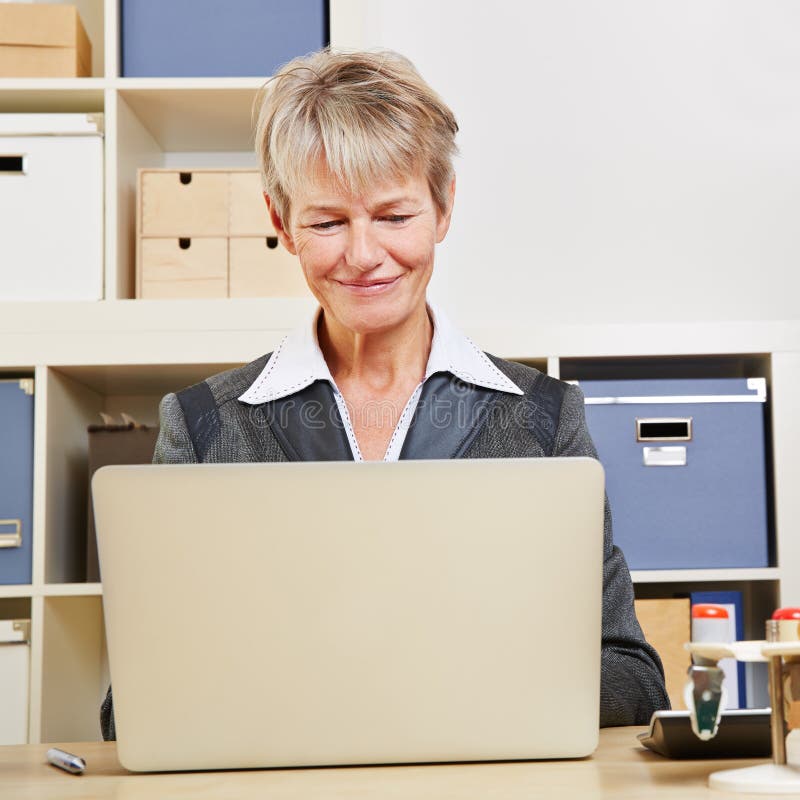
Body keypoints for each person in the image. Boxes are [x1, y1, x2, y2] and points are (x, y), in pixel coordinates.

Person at [101, 49, 668, 740]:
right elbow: (132, 704)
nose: (364, 255)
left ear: (444, 207)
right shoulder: (203, 427)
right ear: (280, 222)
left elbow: (633, 674)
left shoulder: (543, 419)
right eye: (327, 223)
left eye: (395, 216)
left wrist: (441, 691)